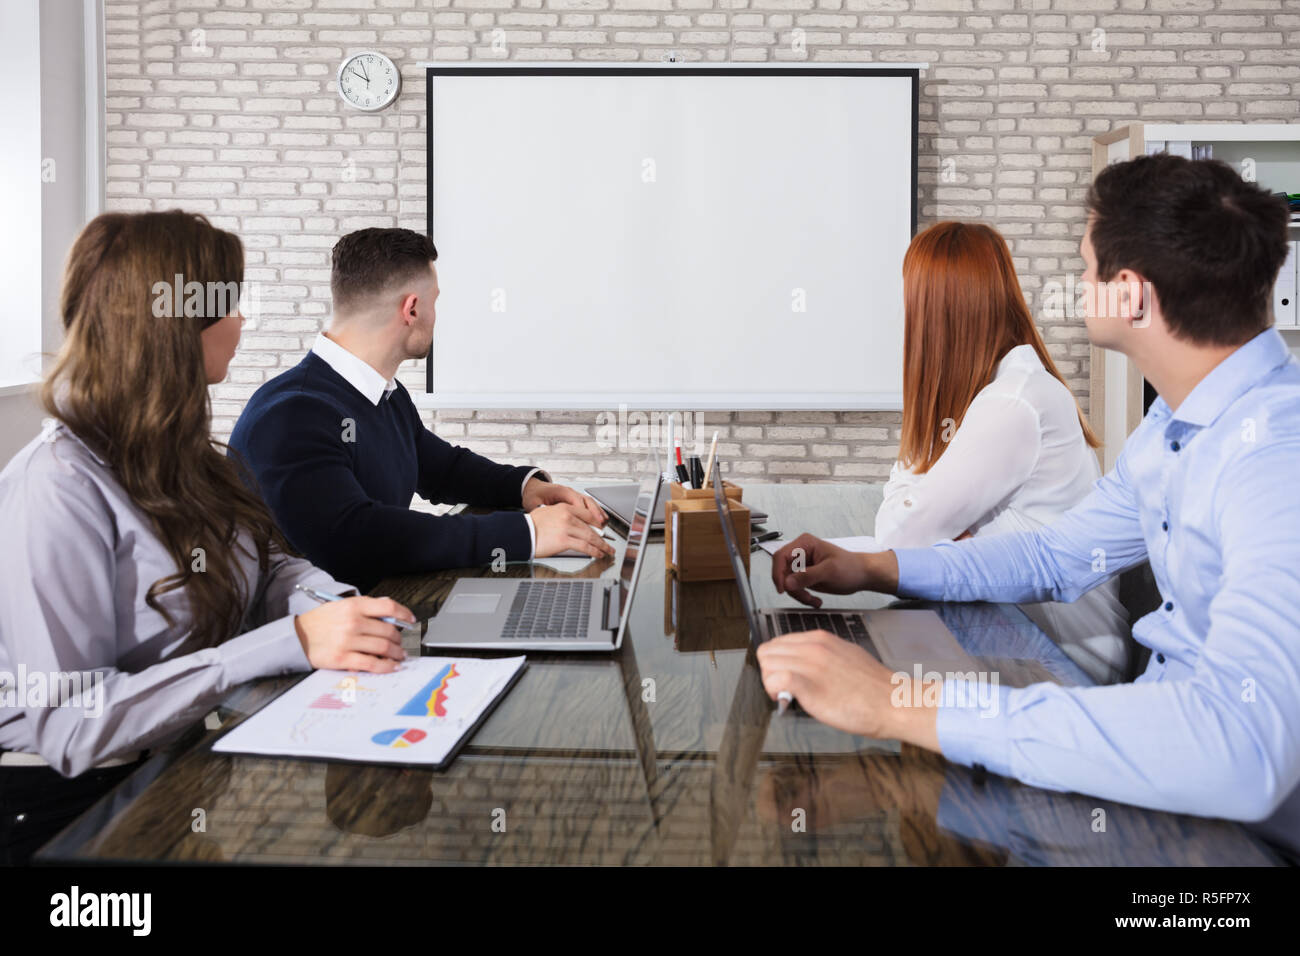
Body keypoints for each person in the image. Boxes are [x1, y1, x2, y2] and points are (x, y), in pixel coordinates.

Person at [760, 154, 1300, 858]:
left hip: (1238, 837)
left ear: (1129, 293)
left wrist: (901, 702)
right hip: (1166, 780)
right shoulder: (1172, 429)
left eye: (1085, 267)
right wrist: (877, 569)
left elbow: (1240, 751)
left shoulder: (1272, 460)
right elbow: (1055, 554)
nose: (1077, 286)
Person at [0, 211, 414, 865]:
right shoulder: (56, 485)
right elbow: (70, 725)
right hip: (68, 812)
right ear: (176, 321)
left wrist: (321, 599)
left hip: (178, 765)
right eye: (232, 305)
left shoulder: (187, 452)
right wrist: (284, 644)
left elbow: (267, 563)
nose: (243, 323)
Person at [228, 228, 613, 593]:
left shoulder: (381, 394)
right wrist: (525, 533)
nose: (435, 316)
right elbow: (357, 535)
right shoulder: (293, 414)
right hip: (314, 649)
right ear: (411, 309)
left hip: (374, 616)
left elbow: (442, 469)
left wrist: (528, 488)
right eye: (435, 302)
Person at [874, 221, 1129, 683]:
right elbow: (917, 523)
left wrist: (944, 530)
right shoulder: (1000, 389)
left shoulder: (1011, 404)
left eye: (911, 302)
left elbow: (897, 535)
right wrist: (949, 532)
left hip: (1067, 655)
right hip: (1024, 628)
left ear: (936, 313)